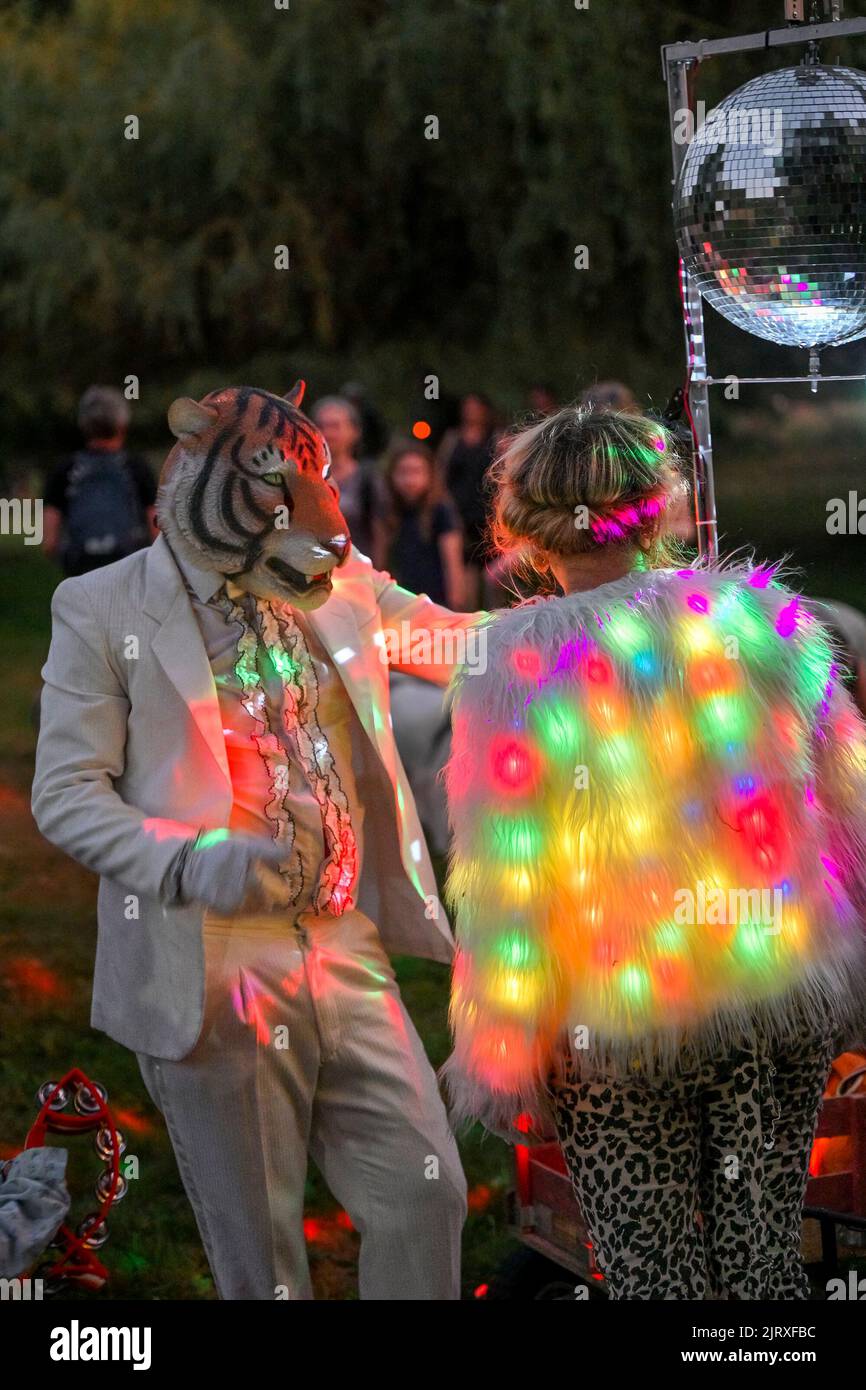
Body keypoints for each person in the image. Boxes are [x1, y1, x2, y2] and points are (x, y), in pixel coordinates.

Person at [32, 381, 483, 1301]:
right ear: (196, 475)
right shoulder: (100, 607)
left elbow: (458, 642)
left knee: (423, 1198)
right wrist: (194, 862)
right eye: (282, 487)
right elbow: (66, 795)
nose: (325, 525)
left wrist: (602, 618)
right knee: (265, 1265)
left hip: (344, 942)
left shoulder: (339, 582)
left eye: (316, 484)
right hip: (212, 959)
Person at [441, 404, 866, 1300]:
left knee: (650, 1277)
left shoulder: (510, 662)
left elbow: (508, 879)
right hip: (773, 981)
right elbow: (847, 809)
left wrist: (509, 1041)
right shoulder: (768, 623)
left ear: (522, 525)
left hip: (614, 1010)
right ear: (663, 503)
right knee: (762, 1269)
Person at [42, 386, 157, 576]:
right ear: (122, 425)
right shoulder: (136, 468)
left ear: (84, 425)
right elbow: (157, 531)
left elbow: (49, 543)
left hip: (80, 572)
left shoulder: (64, 470)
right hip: (129, 570)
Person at [384, 441, 465, 609]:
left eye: (416, 472)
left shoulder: (440, 509)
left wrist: (455, 602)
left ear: (430, 474)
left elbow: (452, 561)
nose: (409, 480)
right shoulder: (392, 511)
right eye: (403, 472)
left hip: (437, 603)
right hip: (403, 601)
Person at [310, 394, 387, 565]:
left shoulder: (368, 479)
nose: (327, 433)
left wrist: (374, 581)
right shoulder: (302, 479)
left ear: (354, 432)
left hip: (357, 578)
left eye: (335, 426)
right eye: (321, 426)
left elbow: (380, 536)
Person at [437, 392, 498, 604]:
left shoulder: (497, 438)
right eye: (467, 407)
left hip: (489, 516)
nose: (470, 412)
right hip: (460, 515)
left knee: (493, 577)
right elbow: (441, 473)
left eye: (475, 407)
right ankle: (469, 626)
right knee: (465, 576)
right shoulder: (453, 439)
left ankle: (496, 625)